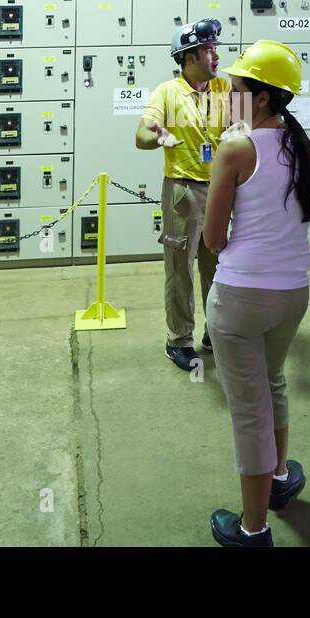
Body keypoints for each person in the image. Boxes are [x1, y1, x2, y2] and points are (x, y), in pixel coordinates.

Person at [202, 40, 310, 548]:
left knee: (249, 409)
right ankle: (275, 480)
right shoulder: (297, 140)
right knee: (272, 383)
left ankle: (253, 528)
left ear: (264, 98)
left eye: (238, 87)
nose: (228, 93)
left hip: (241, 297)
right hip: (293, 290)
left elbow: (212, 238)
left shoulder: (236, 147)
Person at [136, 19, 231, 372]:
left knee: (218, 268)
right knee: (181, 270)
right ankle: (178, 341)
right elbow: (140, 137)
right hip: (182, 191)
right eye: (208, 49)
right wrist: (159, 136)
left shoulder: (225, 88)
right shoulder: (167, 93)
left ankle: (214, 333)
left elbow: (249, 127)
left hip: (221, 189)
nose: (215, 54)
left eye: (214, 48)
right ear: (189, 57)